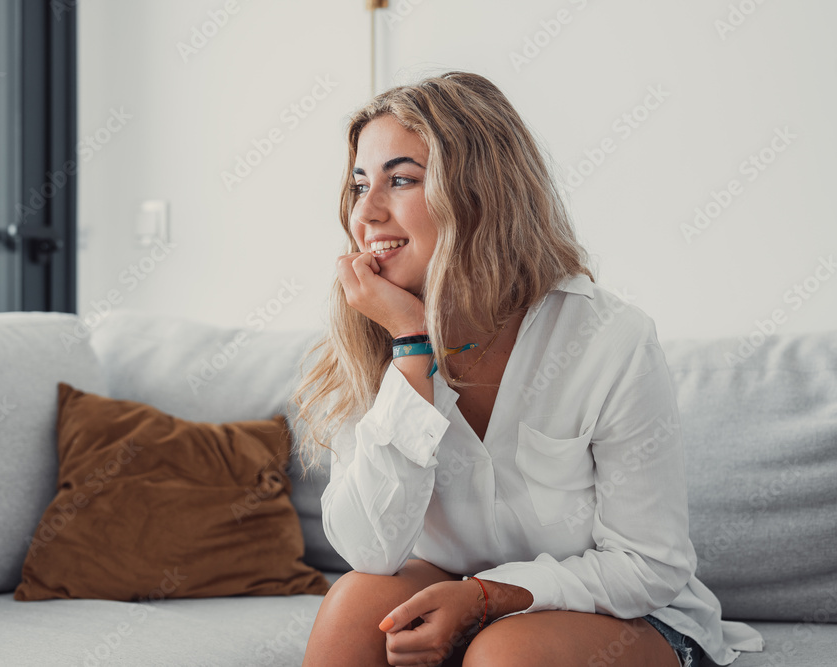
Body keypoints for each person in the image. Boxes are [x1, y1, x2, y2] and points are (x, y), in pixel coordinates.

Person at [290, 71, 764, 667]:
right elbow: (369, 550)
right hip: (451, 596)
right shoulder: (370, 339)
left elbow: (650, 566)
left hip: (619, 616)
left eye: (402, 180)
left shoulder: (608, 339)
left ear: (480, 194)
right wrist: (411, 348)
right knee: (353, 606)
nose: (368, 212)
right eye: (359, 185)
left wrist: (489, 598)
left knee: (506, 653)